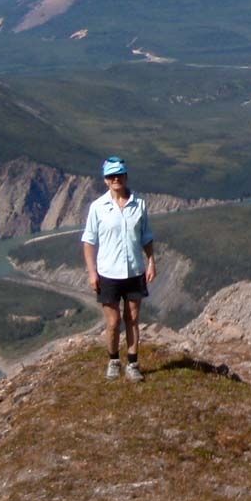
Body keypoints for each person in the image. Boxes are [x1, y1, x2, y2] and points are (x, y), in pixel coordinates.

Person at [81, 156, 157, 382]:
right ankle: (113, 360)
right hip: (108, 273)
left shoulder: (139, 204)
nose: (116, 179)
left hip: (134, 271)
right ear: (105, 180)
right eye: (111, 175)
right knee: (113, 321)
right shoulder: (97, 208)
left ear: (125, 176)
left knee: (132, 319)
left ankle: (133, 363)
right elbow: (89, 241)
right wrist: (92, 272)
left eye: (119, 174)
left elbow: (146, 236)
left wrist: (151, 261)